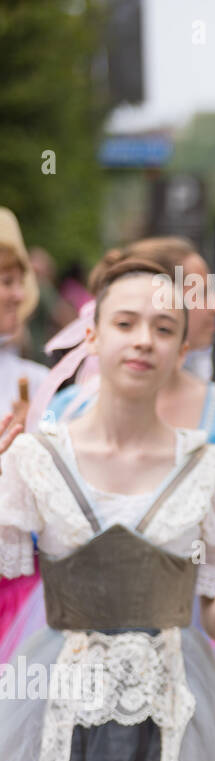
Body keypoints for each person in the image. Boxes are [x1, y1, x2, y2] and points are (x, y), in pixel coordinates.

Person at [0, 255, 215, 761]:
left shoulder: (209, 468)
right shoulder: (33, 458)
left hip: (171, 692)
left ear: (181, 347)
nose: (143, 340)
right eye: (126, 323)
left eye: (164, 328)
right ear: (92, 333)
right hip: (49, 688)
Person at [0, 212, 50, 665]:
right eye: (3, 280)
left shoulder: (39, 383)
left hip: (25, 593)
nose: (16, 293)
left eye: (18, 280)